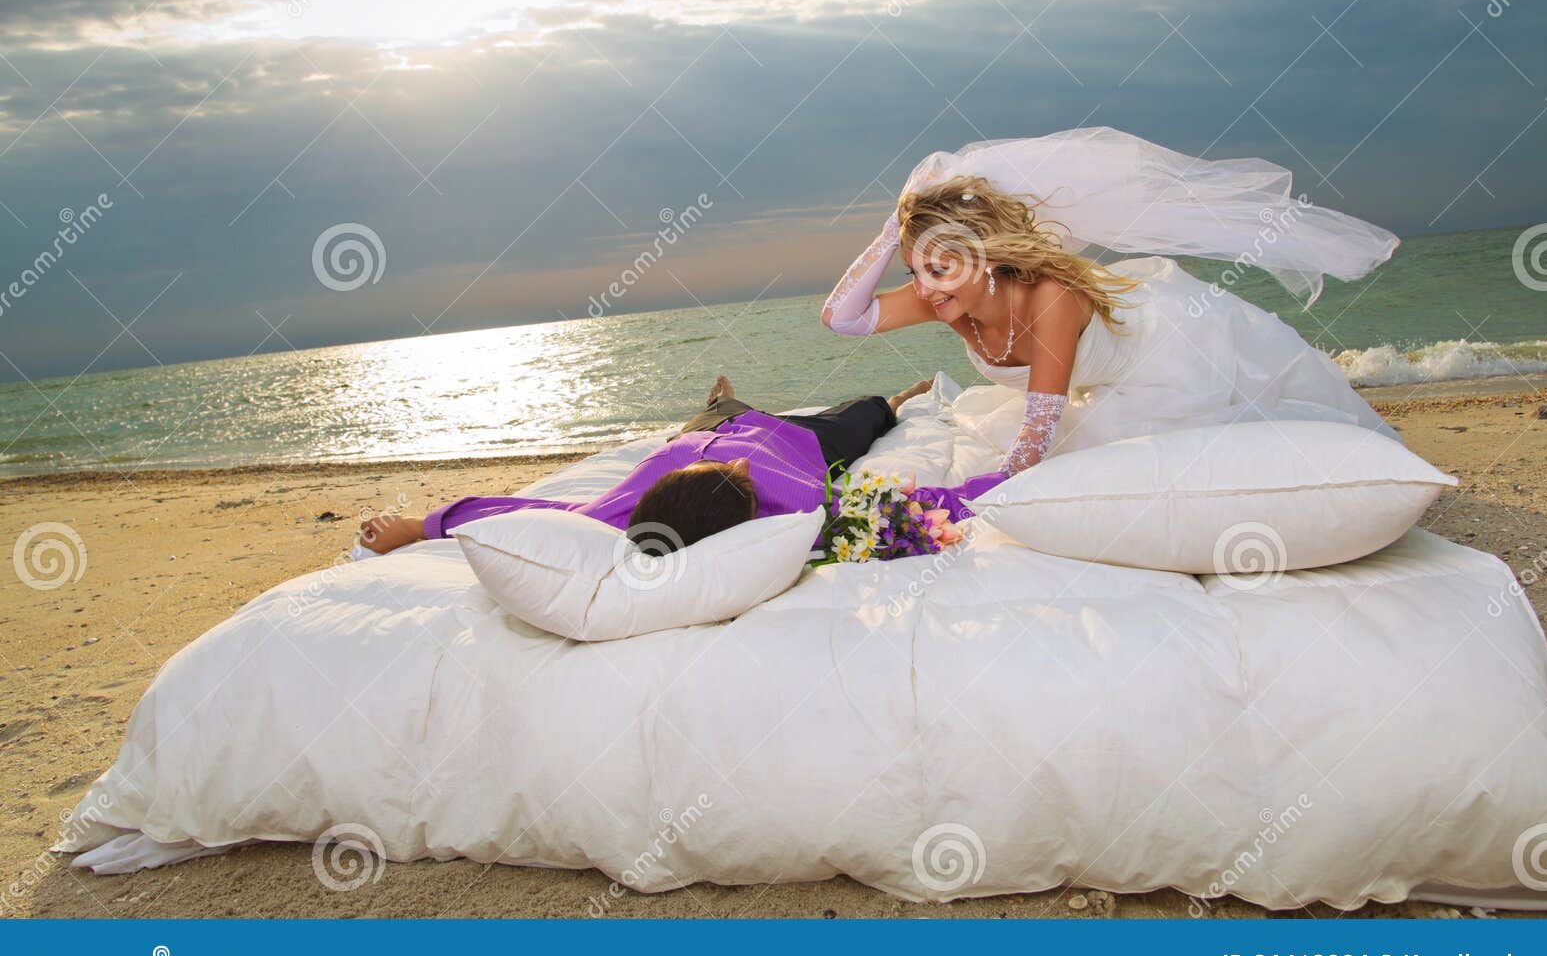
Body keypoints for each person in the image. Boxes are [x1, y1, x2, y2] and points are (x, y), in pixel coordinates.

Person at [822, 126, 1401, 474]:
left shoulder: (1051, 298)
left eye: (941, 267)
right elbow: (842, 319)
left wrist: (991, 490)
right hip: (1096, 389)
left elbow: (1039, 428)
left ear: (987, 257)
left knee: (1256, 443)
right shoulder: (944, 297)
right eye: (914, 269)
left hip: (1172, 354)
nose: (924, 287)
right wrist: (892, 233)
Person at [358, 376, 1005, 555]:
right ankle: (899, 398)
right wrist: (997, 485)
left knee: (716, 415)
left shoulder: (620, 509)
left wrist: (420, 525)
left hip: (708, 433)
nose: (743, 474)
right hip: (792, 440)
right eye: (740, 486)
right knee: (863, 417)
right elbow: (908, 509)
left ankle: (720, 400)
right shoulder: (800, 507)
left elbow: (515, 511)